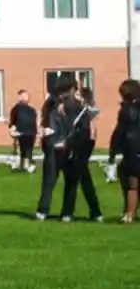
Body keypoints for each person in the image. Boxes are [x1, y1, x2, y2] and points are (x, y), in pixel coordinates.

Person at [58, 86, 103, 222]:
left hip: (80, 143)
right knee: (84, 177)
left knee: (73, 179)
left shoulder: (83, 109)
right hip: (83, 142)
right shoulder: (77, 108)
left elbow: (87, 128)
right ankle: (95, 212)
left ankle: (68, 212)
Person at [36, 77, 78, 221]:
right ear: (71, 89)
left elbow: (45, 122)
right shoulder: (68, 104)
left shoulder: (50, 102)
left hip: (53, 144)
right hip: (64, 145)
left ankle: (43, 210)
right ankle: (66, 212)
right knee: (68, 181)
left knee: (50, 180)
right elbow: (72, 125)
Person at [108, 79, 140, 223]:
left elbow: (120, 131)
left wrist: (113, 152)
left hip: (132, 147)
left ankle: (129, 213)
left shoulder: (126, 110)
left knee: (131, 182)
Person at [7, 90, 38, 173]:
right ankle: (25, 165)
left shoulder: (31, 109)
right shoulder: (18, 108)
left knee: (27, 149)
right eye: (23, 96)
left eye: (26, 96)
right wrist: (12, 128)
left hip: (28, 132)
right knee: (25, 149)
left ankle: (26, 165)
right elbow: (13, 120)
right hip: (24, 132)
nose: (25, 98)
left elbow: (34, 121)